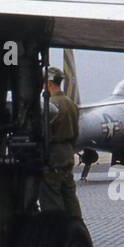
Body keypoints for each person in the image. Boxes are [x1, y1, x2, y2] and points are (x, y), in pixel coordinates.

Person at [39, 66, 81, 218]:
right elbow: (76, 134)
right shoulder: (71, 104)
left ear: (49, 84)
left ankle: (57, 235)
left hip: (53, 157)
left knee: (51, 202)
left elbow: (44, 133)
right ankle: (77, 231)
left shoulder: (49, 106)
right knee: (70, 198)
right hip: (67, 155)